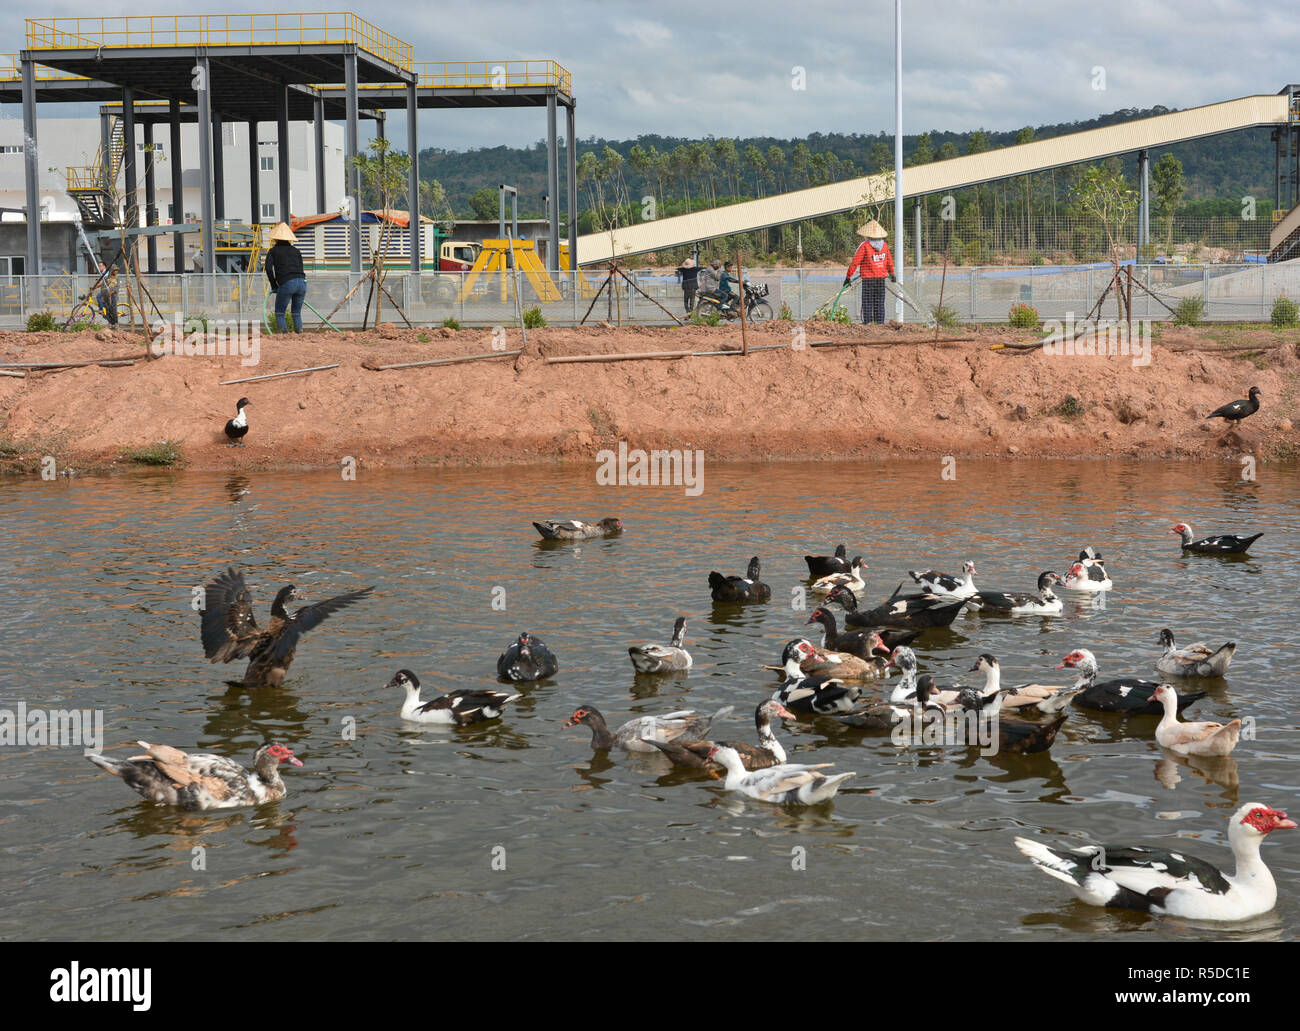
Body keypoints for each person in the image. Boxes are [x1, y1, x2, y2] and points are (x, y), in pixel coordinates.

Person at [844, 219, 895, 324]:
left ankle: (868, 323)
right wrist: (892, 274)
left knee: (867, 302)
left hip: (868, 279)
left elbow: (855, 262)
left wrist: (848, 276)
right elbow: (889, 261)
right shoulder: (884, 246)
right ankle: (880, 323)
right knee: (879, 302)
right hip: (881, 278)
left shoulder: (865, 246)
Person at [265, 222, 307, 333]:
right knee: (296, 313)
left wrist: (274, 286)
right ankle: (299, 335)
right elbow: (301, 268)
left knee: (280, 312)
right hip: (302, 282)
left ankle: (284, 337)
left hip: (287, 282)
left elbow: (269, 269)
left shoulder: (273, 251)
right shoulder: (296, 251)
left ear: (275, 239)